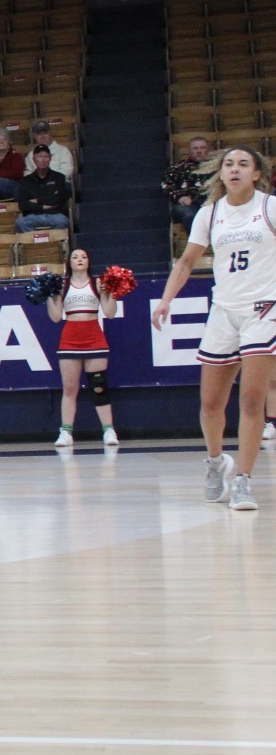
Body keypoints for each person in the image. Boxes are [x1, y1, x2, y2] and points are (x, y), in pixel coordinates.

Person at [154, 145, 276, 511]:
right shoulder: (210, 213)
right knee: (210, 404)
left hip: (263, 309)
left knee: (252, 400)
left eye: (243, 164)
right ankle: (215, 461)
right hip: (223, 310)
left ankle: (243, 479)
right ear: (220, 173)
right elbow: (188, 261)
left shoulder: (270, 207)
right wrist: (165, 300)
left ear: (256, 173)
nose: (234, 169)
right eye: (228, 164)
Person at [47, 248, 119, 449]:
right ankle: (66, 432)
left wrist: (113, 292)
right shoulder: (63, 285)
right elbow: (55, 317)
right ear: (69, 262)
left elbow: (110, 313)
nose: (79, 260)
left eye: (84, 256)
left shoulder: (98, 283)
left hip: (94, 338)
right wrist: (48, 296)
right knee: (70, 389)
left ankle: (108, 430)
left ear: (89, 261)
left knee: (99, 386)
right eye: (75, 257)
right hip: (69, 340)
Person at [15, 145, 72, 233]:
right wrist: (43, 206)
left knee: (62, 221)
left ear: (50, 159)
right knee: (20, 222)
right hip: (33, 216)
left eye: (46, 156)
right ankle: (36, 245)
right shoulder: (26, 180)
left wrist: (37, 200)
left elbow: (58, 199)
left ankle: (56, 245)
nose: (42, 160)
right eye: (39, 156)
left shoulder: (59, 177)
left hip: (55, 215)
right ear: (34, 159)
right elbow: (23, 204)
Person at [166, 136, 218, 230]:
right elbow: (166, 185)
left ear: (208, 149)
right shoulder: (177, 167)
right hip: (187, 204)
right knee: (190, 215)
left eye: (202, 148)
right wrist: (179, 197)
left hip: (210, 202)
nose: (199, 151)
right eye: (195, 148)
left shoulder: (216, 167)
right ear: (189, 150)